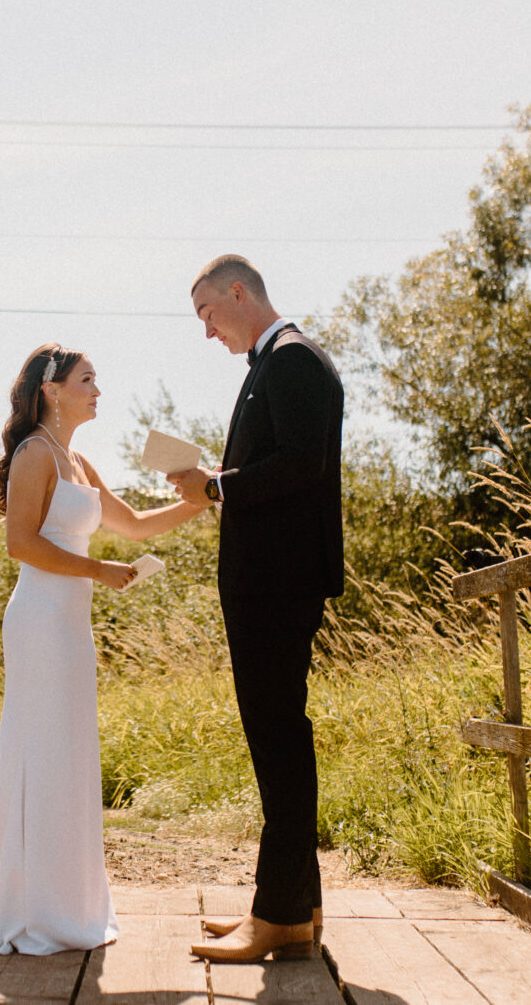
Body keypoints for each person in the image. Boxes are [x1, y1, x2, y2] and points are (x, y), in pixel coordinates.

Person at [0, 342, 205, 955]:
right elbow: (22, 546)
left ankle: (64, 902)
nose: (97, 390)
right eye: (88, 379)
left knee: (69, 751)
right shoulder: (36, 453)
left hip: (70, 628)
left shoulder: (79, 461)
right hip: (38, 621)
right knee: (39, 748)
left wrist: (200, 501)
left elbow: (136, 524)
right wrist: (100, 571)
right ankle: (24, 905)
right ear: (53, 389)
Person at [168, 255, 344, 963]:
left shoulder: (294, 360)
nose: (207, 332)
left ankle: (277, 915)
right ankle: (295, 909)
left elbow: (303, 466)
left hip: (277, 586)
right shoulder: (271, 366)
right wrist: (217, 477)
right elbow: (282, 465)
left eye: (208, 313)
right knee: (278, 742)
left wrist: (217, 489)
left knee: (280, 744)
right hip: (268, 583)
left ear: (238, 293)